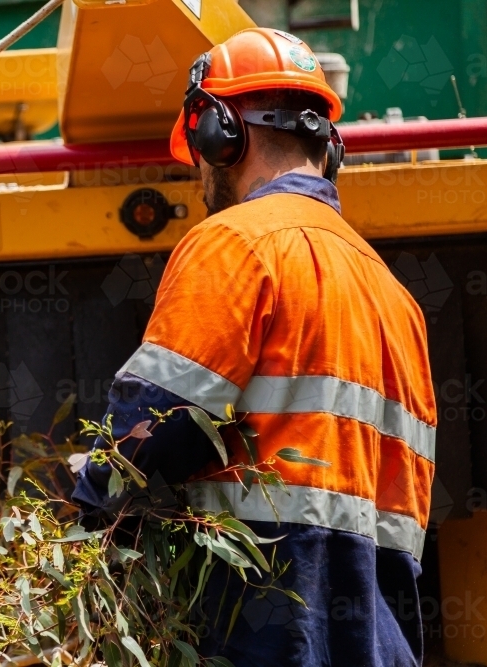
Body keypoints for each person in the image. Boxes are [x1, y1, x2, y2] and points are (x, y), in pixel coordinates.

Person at [72, 28, 437, 667]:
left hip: (263, 634)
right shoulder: (396, 298)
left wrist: (87, 495)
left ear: (220, 133)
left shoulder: (234, 243)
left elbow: (155, 428)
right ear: (331, 146)